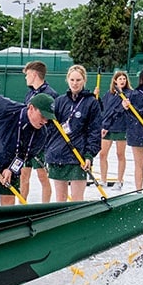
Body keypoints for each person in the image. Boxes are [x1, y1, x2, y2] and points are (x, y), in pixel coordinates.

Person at [45, 65, 102, 202]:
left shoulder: (91, 102)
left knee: (77, 199)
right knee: (60, 198)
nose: (75, 83)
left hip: (78, 156)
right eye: (72, 80)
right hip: (58, 155)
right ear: (67, 80)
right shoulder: (59, 101)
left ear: (84, 80)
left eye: (78, 80)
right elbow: (50, 128)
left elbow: (94, 131)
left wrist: (89, 155)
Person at [0, 93, 55, 199]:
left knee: (8, 199)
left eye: (48, 119)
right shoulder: (5, 108)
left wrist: (11, 169)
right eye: (42, 116)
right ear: (31, 108)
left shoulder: (41, 134)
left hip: (9, 162)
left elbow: (24, 156)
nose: (45, 121)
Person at [21, 62, 56, 202]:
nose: (26, 78)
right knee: (23, 175)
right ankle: (21, 206)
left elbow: (53, 122)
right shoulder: (30, 94)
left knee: (43, 176)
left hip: (41, 143)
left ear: (34, 74)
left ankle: (45, 206)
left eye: (27, 74)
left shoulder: (50, 94)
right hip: (26, 142)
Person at [98, 70, 131, 188]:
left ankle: (119, 180)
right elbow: (104, 108)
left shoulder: (129, 94)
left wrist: (122, 107)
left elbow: (119, 110)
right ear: (115, 81)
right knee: (103, 154)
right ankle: (103, 179)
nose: (122, 81)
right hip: (107, 127)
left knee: (120, 154)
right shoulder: (109, 94)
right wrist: (96, 97)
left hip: (120, 126)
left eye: (124, 78)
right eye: (120, 78)